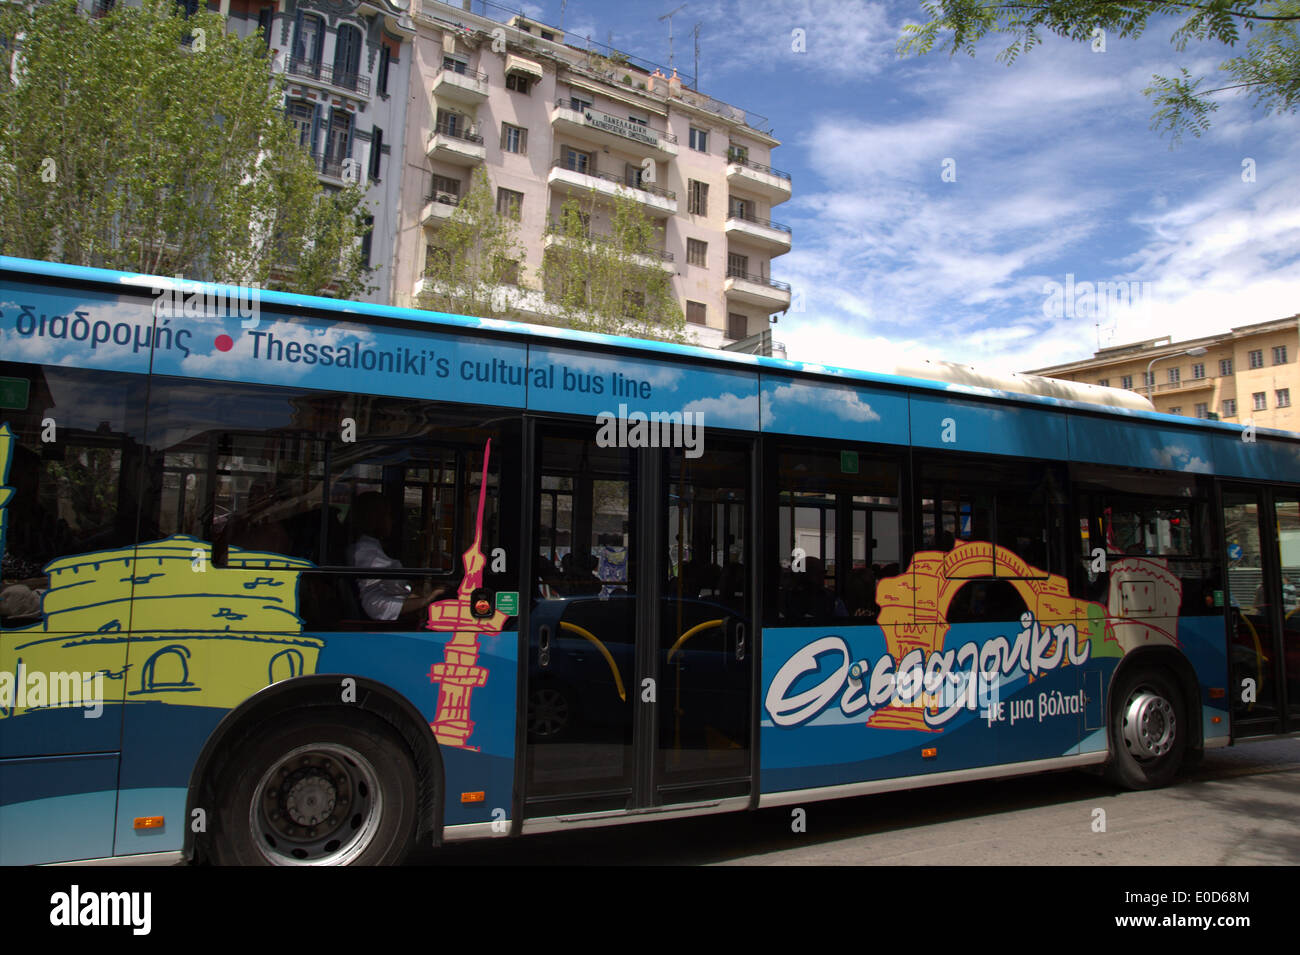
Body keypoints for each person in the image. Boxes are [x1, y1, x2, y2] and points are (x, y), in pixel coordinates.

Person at [346, 492, 448, 624]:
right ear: (376, 518)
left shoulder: (370, 546)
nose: (391, 521)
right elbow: (377, 603)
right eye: (388, 515)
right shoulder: (365, 550)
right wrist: (426, 599)